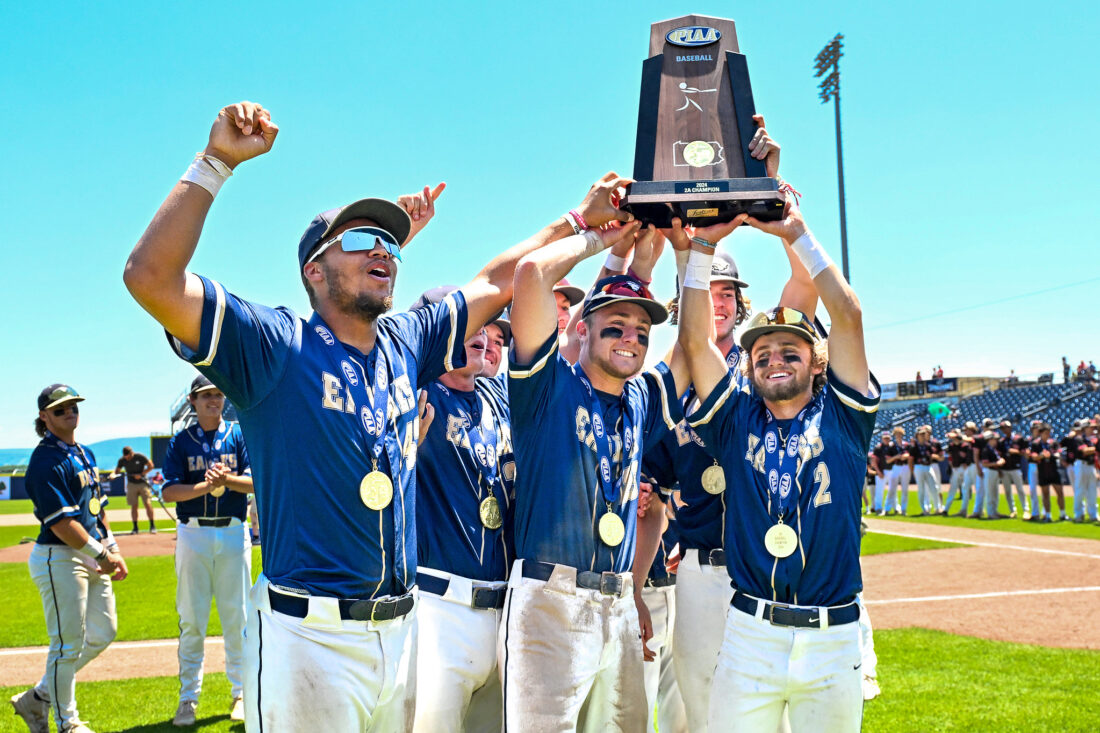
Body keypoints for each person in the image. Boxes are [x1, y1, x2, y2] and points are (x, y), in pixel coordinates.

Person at [123, 100, 625, 730]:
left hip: (405, 630)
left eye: (390, 241)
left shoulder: (404, 343)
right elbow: (150, 276)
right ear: (314, 270)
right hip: (312, 637)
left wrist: (580, 222)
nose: (383, 249)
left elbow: (498, 280)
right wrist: (216, 162)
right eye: (360, 241)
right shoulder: (274, 347)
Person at [675, 195, 878, 732]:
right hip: (749, 634)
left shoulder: (845, 416)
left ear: (817, 361)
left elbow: (848, 314)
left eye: (791, 350)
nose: (775, 359)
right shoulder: (735, 419)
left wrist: (798, 234)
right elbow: (695, 340)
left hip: (833, 638)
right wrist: (700, 248)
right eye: (761, 353)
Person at [502, 219, 685, 730]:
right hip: (550, 598)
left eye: (641, 333)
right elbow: (533, 273)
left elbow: (691, 346)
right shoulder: (547, 388)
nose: (630, 340)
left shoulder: (641, 398)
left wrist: (689, 255)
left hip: (619, 597)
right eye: (614, 327)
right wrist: (602, 238)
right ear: (581, 327)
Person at [407, 286, 514, 733]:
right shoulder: (415, 394)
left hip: (504, 609)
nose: (485, 336)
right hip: (437, 607)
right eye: (471, 325)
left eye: (492, 329)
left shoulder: (498, 398)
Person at [12, 384, 128, 733]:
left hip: (92, 553)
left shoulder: (85, 453)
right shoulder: (44, 460)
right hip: (59, 557)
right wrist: (101, 553)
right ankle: (68, 723)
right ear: (44, 417)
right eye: (60, 409)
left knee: (104, 632)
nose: (70, 412)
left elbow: (97, 508)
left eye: (73, 406)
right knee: (66, 644)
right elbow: (63, 524)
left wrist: (114, 550)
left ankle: (37, 698)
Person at [161, 375, 254, 726]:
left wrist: (226, 481)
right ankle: (188, 699)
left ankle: (241, 693)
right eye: (205, 396)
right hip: (193, 534)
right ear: (193, 401)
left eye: (217, 394)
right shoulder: (181, 442)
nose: (213, 401)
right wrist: (207, 485)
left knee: (238, 618)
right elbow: (169, 492)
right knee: (192, 620)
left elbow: (255, 481)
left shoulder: (238, 434)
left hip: (232, 532)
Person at [109, 446, 157, 534]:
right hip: (131, 484)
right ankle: (135, 528)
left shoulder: (140, 457)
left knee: (147, 503)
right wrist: (113, 474)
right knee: (134, 506)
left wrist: (142, 474)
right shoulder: (122, 460)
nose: (127, 458)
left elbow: (151, 466)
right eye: (125, 456)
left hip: (143, 483)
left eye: (128, 456)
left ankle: (152, 526)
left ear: (132, 453)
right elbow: (117, 471)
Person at [1030, 423, 1065, 522]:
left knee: (1060, 492)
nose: (1047, 435)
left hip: (1054, 470)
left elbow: (1059, 453)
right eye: (1045, 433)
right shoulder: (1035, 444)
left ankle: (1062, 514)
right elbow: (1034, 456)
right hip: (1043, 471)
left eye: (1049, 433)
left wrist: (1052, 455)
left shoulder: (1053, 442)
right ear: (1041, 433)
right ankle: (1048, 515)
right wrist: (1042, 455)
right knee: (1045, 494)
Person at [997, 420, 1028, 518]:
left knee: (1020, 489)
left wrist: (1016, 451)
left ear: (1010, 427)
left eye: (1006, 427)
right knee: (1007, 491)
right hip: (1005, 468)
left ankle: (1025, 509)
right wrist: (999, 469)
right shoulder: (1001, 441)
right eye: (1002, 428)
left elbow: (1025, 452)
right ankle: (1012, 510)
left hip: (1016, 467)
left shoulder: (1019, 439)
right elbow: (999, 455)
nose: (1004, 430)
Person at [909, 426, 943, 515]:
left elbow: (931, 456)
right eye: (921, 434)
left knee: (934, 487)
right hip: (918, 467)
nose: (923, 436)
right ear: (917, 435)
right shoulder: (914, 446)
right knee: (921, 489)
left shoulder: (928, 445)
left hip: (928, 466)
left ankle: (937, 508)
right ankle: (924, 509)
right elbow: (910, 460)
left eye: (924, 434)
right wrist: (912, 471)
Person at [943, 430, 977, 516]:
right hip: (956, 469)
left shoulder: (965, 446)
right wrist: (951, 465)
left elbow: (969, 456)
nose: (952, 438)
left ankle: (965, 510)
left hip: (964, 468)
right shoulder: (951, 445)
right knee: (952, 489)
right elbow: (950, 456)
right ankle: (946, 509)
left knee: (965, 489)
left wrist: (966, 463)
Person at [883, 426, 910, 515]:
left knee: (905, 489)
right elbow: (887, 460)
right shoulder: (892, 446)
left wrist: (905, 456)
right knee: (892, 488)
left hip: (905, 466)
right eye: (896, 434)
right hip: (896, 466)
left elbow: (909, 455)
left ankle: (904, 509)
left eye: (900, 434)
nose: (898, 436)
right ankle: (887, 508)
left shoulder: (906, 445)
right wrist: (896, 457)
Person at [980, 431, 1006, 519]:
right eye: (994, 439)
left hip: (994, 471)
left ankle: (994, 511)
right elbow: (984, 464)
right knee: (990, 493)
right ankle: (990, 513)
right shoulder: (986, 449)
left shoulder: (992, 449)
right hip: (989, 472)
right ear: (989, 439)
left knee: (995, 493)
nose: (996, 441)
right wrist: (997, 463)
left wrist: (998, 466)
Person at [870, 431, 891, 515]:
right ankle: (878, 508)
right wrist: (878, 472)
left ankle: (889, 508)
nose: (887, 439)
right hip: (881, 471)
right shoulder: (878, 448)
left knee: (892, 491)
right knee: (879, 491)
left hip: (890, 470)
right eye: (885, 438)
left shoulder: (891, 447)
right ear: (882, 438)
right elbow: (874, 461)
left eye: (888, 438)